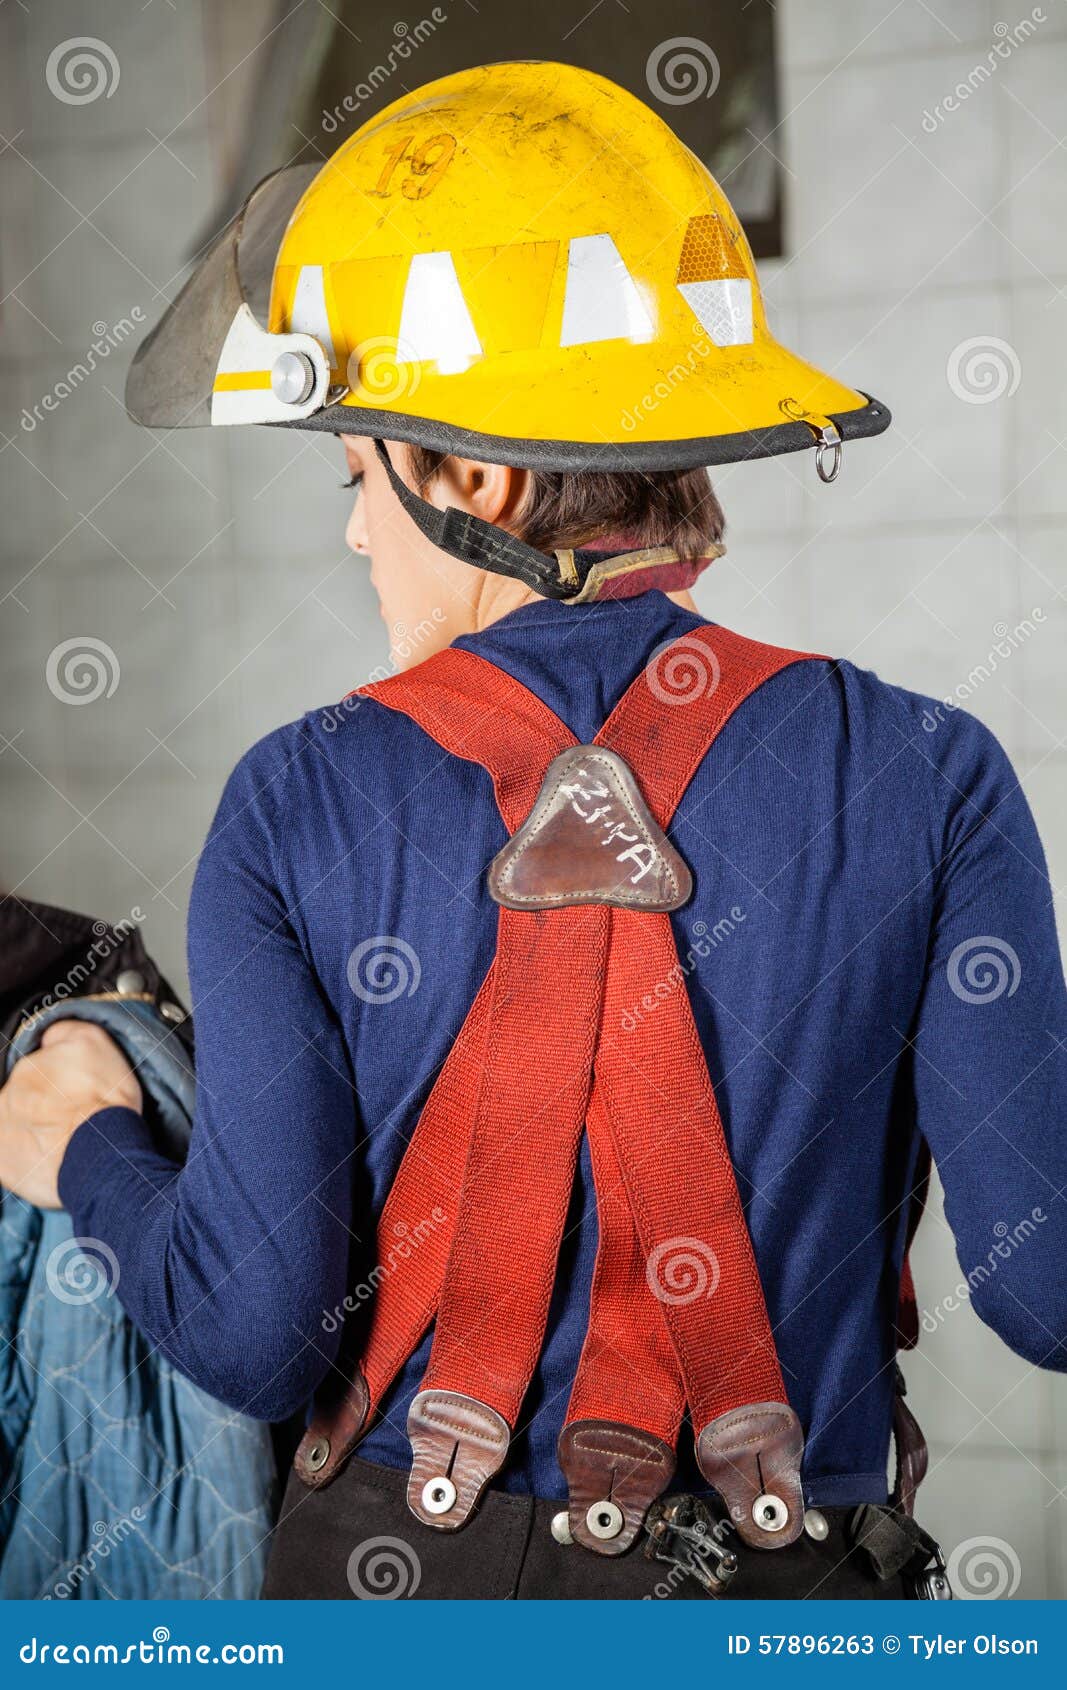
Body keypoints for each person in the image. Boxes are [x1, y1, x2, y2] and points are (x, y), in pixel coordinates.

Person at [1, 62, 1064, 1602]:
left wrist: (83, 1143)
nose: (355, 525)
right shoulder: (932, 768)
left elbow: (250, 1329)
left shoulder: (295, 799)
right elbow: (1046, 1287)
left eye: (356, 469)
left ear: (469, 472)